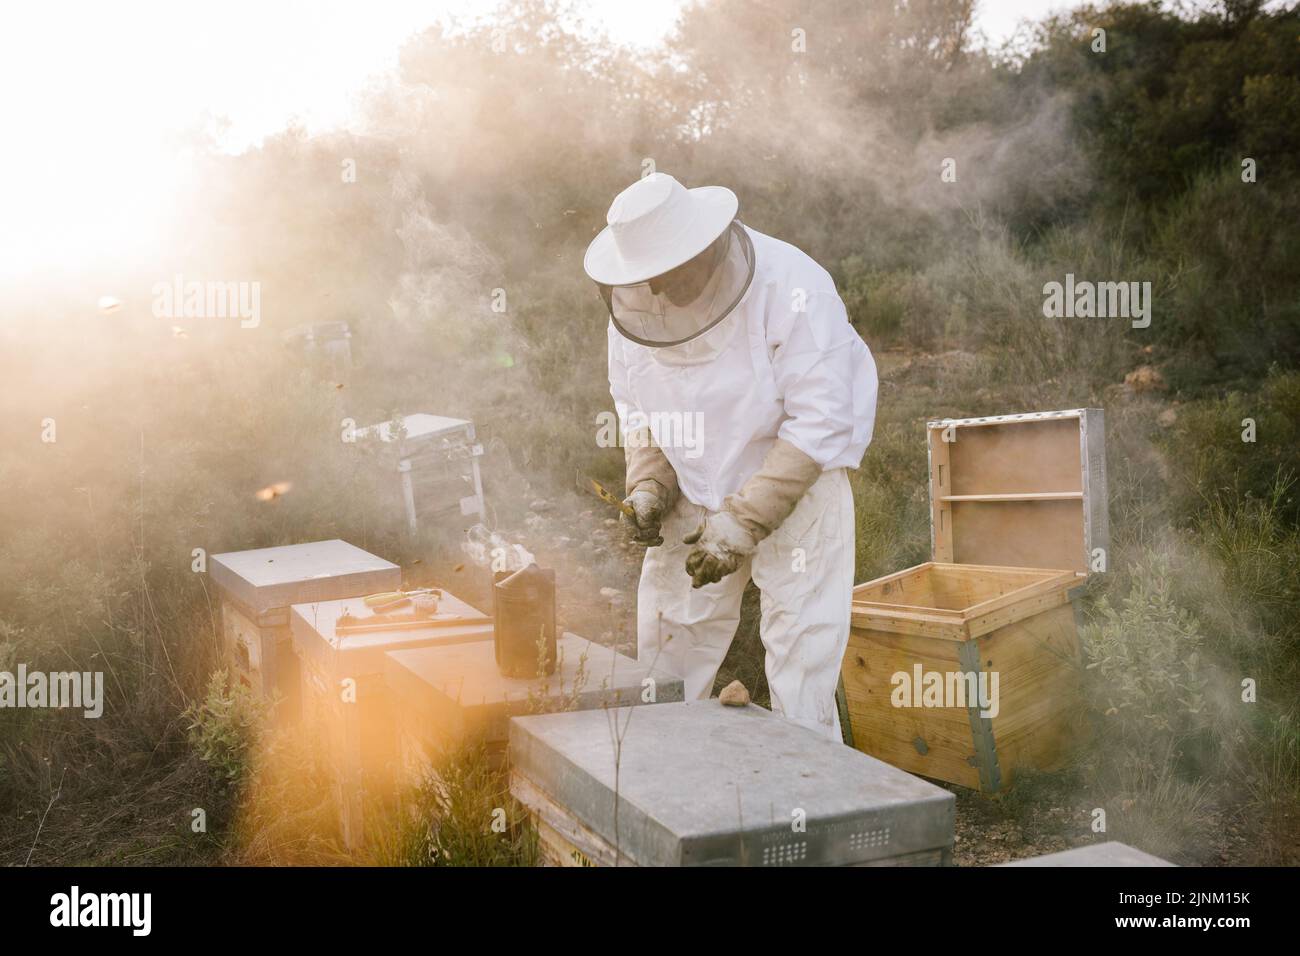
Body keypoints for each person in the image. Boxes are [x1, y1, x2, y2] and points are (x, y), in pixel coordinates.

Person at [584, 172, 878, 740]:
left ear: (707, 247)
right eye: (648, 283)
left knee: (801, 648)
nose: (660, 296)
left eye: (671, 279)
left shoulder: (794, 286)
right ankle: (668, 784)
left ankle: (813, 796)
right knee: (669, 644)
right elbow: (636, 404)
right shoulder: (633, 304)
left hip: (796, 483)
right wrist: (649, 483)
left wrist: (745, 521)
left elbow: (821, 418)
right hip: (692, 483)